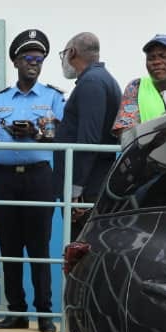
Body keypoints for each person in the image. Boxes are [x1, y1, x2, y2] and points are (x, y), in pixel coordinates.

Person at [0, 29, 66, 332]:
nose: (33, 63)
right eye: (27, 58)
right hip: (4, 179)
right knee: (9, 247)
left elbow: (62, 137)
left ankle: (44, 314)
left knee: (39, 248)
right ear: (16, 62)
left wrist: (34, 134)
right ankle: (17, 312)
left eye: (39, 59)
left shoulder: (54, 97)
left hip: (38, 178)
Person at [55, 32, 122, 234]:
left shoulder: (92, 82)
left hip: (88, 187)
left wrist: (75, 191)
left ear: (72, 52)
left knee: (80, 249)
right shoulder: (98, 79)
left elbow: (89, 140)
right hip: (91, 183)